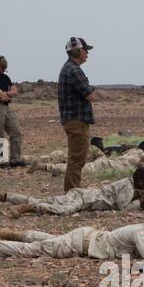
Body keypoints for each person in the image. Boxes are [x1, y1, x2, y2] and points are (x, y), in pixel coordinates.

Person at [0, 203, 144, 261]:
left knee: (51, 240)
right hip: (80, 244)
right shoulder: (140, 234)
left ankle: (19, 233)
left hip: (85, 236)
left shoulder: (141, 230)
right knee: (34, 251)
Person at [0, 166, 144, 216]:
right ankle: (29, 209)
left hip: (81, 194)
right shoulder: (127, 186)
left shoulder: (128, 183)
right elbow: (124, 208)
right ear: (140, 181)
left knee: (42, 199)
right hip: (84, 200)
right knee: (65, 210)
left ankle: (1, 196)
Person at [57, 36, 97, 191]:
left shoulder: (69, 68)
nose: (87, 53)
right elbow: (90, 95)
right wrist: (91, 89)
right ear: (78, 51)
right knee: (77, 159)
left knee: (76, 158)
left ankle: (73, 190)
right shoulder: (74, 70)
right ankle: (73, 192)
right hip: (77, 121)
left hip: (73, 120)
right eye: (86, 50)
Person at [0, 55, 24, 167]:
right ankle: (0, 161)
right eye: (1, 68)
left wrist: (6, 94)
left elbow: (14, 90)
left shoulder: (5, 77)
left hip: (6, 107)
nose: (3, 70)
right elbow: (0, 97)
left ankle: (15, 159)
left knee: (16, 132)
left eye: (4, 68)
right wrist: (8, 95)